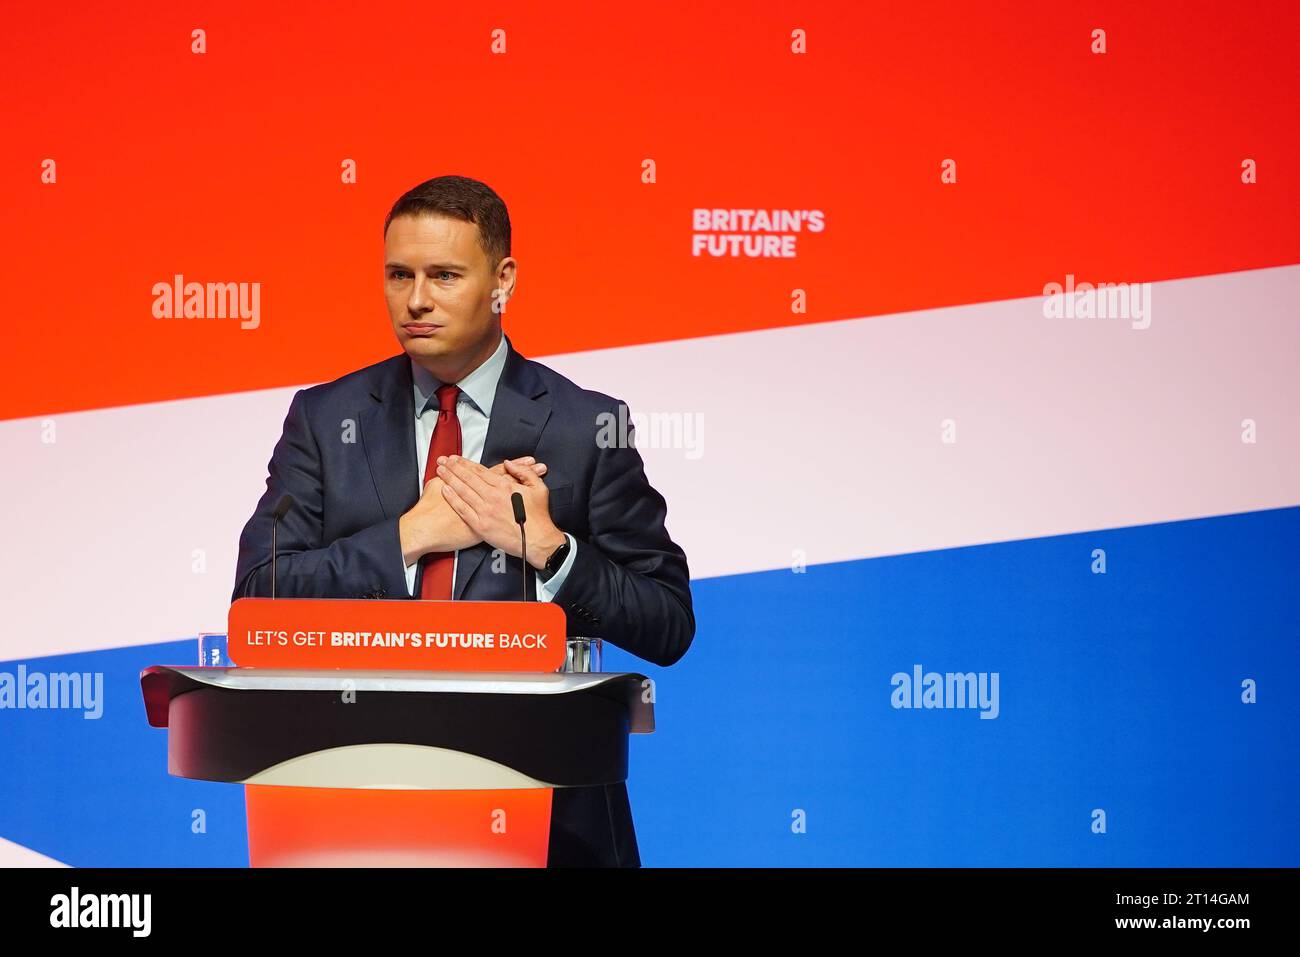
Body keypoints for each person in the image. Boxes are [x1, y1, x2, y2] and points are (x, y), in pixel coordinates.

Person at [232, 174, 695, 866]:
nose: (415, 299)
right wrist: (411, 537)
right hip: (357, 810)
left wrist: (551, 550)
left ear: (503, 280)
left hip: (548, 819)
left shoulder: (583, 425)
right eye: (399, 275)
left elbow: (667, 620)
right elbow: (259, 592)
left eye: (444, 275)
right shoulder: (328, 419)